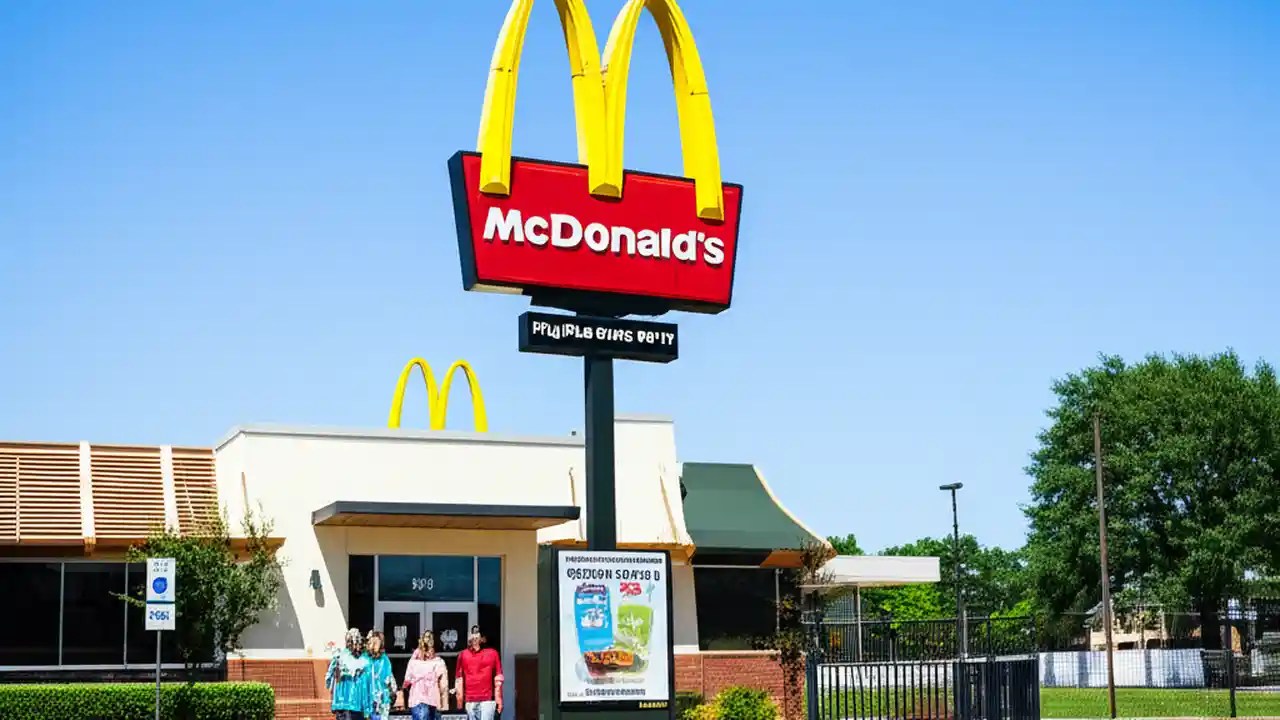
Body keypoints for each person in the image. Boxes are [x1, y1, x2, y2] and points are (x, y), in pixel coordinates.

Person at [455, 625, 503, 720]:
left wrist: (499, 699)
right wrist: (459, 701)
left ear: (483, 638)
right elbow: (459, 678)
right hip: (470, 699)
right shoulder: (463, 655)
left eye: (477, 636)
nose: (475, 639)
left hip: (488, 700)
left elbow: (498, 677)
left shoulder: (492, 653)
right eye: (473, 636)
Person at [326, 628, 372, 720]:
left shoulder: (340, 656)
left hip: (341, 703)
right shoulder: (362, 660)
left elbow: (329, 679)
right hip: (354, 704)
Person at [403, 630, 449, 720]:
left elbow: (406, 681)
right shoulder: (439, 662)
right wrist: (444, 704)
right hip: (434, 701)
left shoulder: (413, 662)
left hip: (417, 700)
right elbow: (444, 686)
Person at [365, 630, 398, 720]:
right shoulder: (384, 660)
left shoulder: (364, 659)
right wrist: (393, 695)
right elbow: (390, 680)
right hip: (382, 699)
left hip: (367, 699)